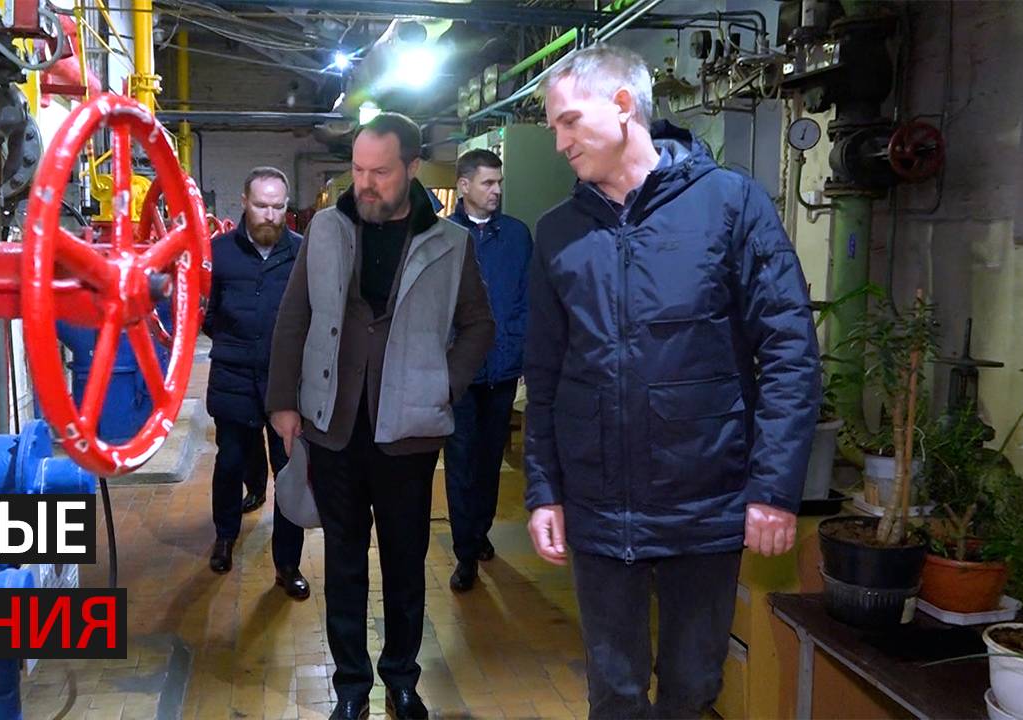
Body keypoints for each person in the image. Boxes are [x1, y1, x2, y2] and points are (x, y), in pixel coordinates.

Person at [523, 45, 821, 719]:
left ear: (623, 105)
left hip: (705, 500)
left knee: (692, 689)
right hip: (598, 504)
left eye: (569, 122)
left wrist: (773, 489)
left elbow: (788, 351)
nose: (560, 142)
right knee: (615, 694)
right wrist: (544, 490)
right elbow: (544, 372)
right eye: (554, 127)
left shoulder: (729, 205)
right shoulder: (559, 232)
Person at [267, 113, 494, 720]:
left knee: (404, 563)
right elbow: (294, 316)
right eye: (358, 170)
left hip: (408, 433)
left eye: (381, 172)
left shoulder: (450, 244)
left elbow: (479, 326)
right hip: (333, 424)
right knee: (343, 562)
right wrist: (283, 401)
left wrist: (443, 383)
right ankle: (349, 687)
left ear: (413, 168)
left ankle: (400, 679)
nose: (365, 184)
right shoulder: (326, 230)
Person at [202, 166, 309, 600]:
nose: (269, 214)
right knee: (230, 461)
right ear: (244, 202)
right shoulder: (219, 253)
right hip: (233, 376)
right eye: (261, 205)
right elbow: (207, 314)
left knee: (289, 472)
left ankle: (288, 564)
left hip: (287, 383)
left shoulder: (302, 253)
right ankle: (225, 536)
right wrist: (237, 342)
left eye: (277, 206)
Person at [442, 149, 533, 593]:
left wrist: (519, 347)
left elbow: (527, 298)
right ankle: (465, 553)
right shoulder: (442, 236)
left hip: (501, 369)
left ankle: (480, 531)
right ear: (464, 186)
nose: (496, 190)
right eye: (487, 183)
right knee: (460, 462)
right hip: (458, 375)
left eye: (499, 183)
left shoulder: (516, 236)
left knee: (490, 460)